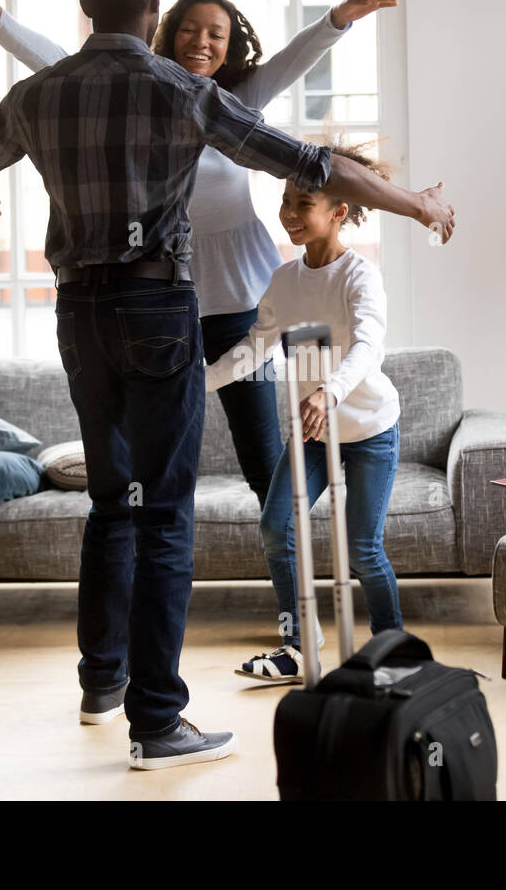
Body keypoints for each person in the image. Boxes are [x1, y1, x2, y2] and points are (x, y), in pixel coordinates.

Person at [0, 0, 455, 770]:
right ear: (153, 17)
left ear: (85, 3)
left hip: (80, 314)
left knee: (114, 503)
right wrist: (416, 204)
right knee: (166, 511)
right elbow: (312, 165)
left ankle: (101, 683)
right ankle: (157, 722)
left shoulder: (39, 93)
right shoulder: (180, 91)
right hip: (159, 309)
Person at [0, 0, 396, 509]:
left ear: (229, 47)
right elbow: (55, 66)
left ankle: (287, 573)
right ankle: (154, 572)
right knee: (154, 466)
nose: (202, 42)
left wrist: (338, 19)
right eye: (190, 30)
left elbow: (293, 62)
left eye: (216, 34)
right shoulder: (137, 91)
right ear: (165, 28)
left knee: (263, 457)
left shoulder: (230, 102)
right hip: (161, 301)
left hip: (242, 301)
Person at [205, 144, 402, 682]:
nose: (289, 213)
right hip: (313, 435)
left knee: (362, 549)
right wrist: (193, 385)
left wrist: (328, 392)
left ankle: (394, 652)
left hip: (368, 431)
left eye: (303, 203)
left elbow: (368, 347)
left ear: (340, 211)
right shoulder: (284, 280)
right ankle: (298, 649)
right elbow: (253, 347)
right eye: (285, 201)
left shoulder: (360, 277)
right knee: (276, 529)